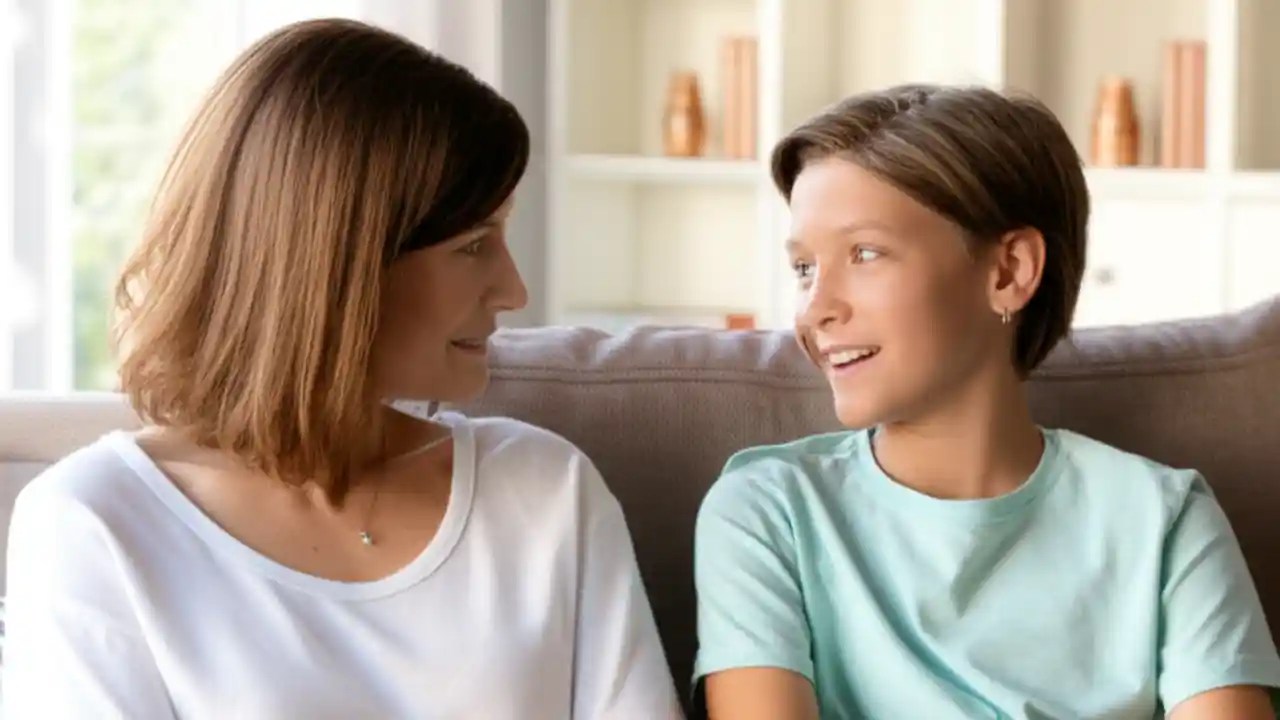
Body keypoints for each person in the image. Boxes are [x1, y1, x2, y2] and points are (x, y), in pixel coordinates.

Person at [2, 18, 683, 719]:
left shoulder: (545, 492)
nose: (514, 290)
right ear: (339, 262)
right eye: (475, 244)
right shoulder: (98, 524)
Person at [692, 84, 1280, 719]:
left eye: (864, 253)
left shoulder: (1165, 521)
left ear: (1009, 272)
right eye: (805, 268)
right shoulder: (768, 512)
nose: (816, 308)